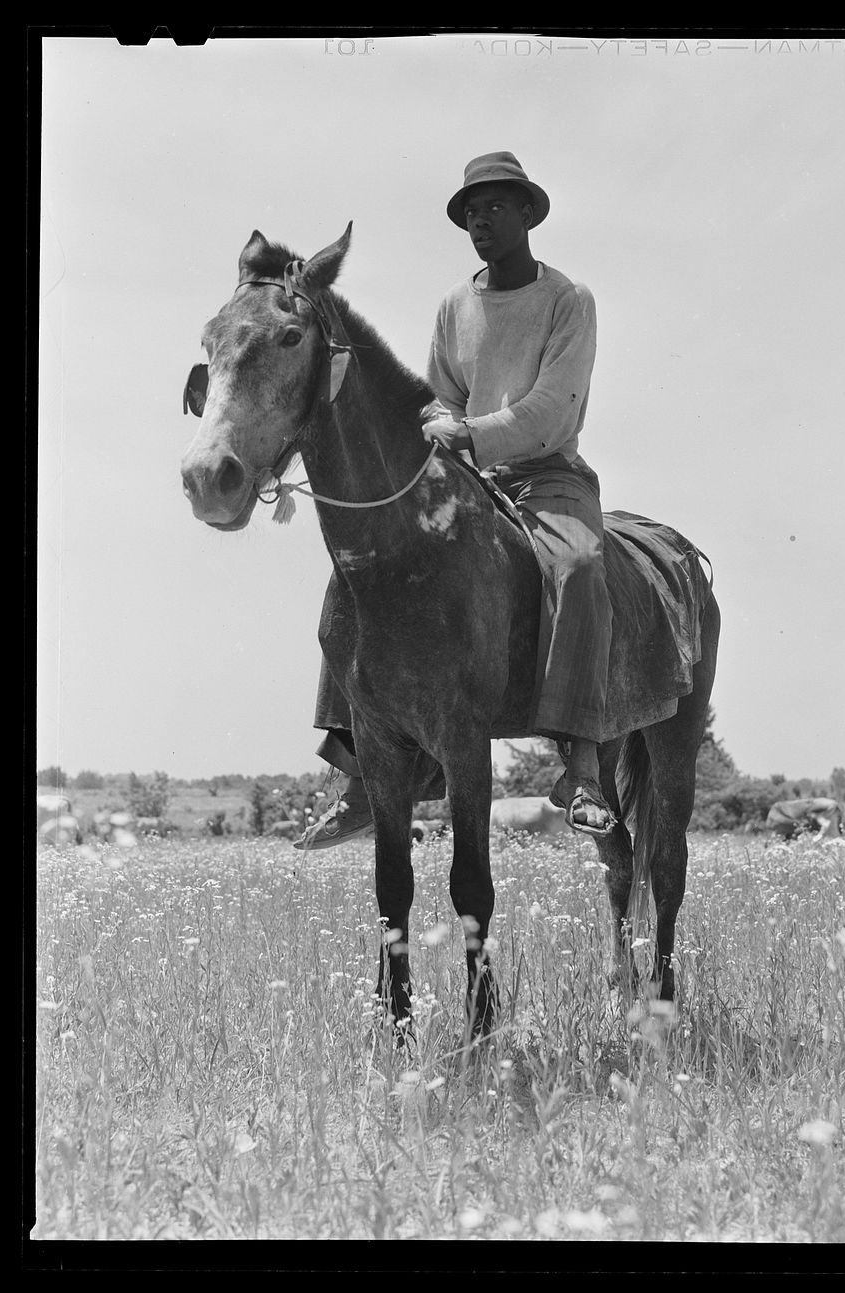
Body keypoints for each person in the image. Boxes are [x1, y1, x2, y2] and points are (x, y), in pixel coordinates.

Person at [295, 151, 615, 849]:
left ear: (528, 213)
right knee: (357, 571)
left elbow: (551, 407)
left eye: (495, 207)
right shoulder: (454, 305)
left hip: (547, 474)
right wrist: (444, 431)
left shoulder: (568, 300)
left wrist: (466, 433)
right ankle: (356, 769)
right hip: (467, 474)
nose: (480, 221)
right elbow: (440, 393)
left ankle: (583, 764)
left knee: (581, 565)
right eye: (471, 212)